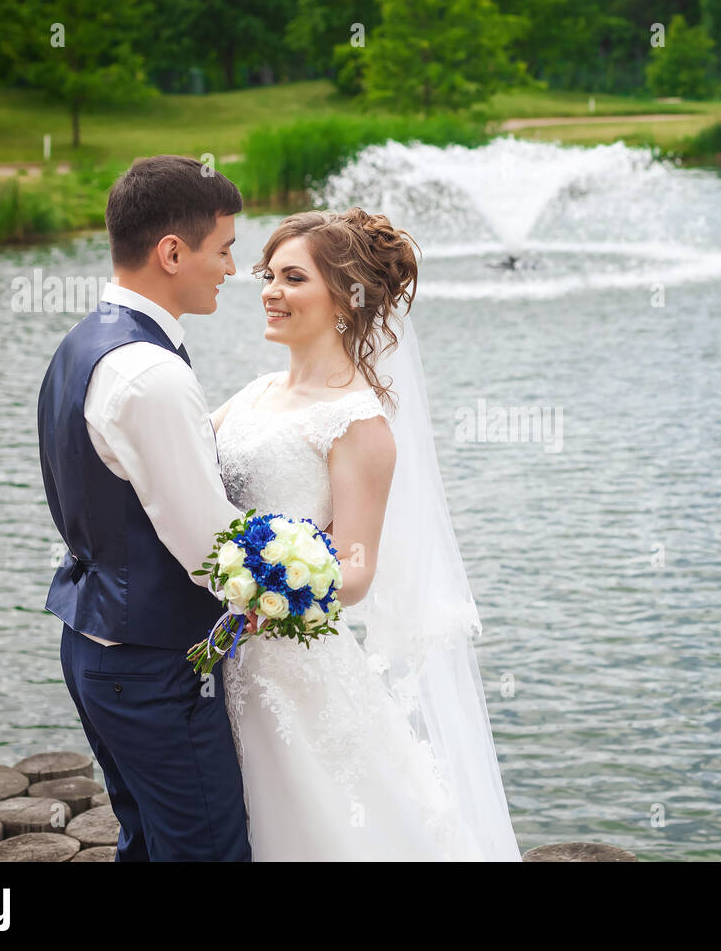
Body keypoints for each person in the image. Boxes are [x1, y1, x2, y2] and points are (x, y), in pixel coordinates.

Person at [211, 208, 521, 860]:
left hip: (292, 663)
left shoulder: (357, 423)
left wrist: (266, 586)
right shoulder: (252, 394)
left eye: (292, 278)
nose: (269, 290)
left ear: (346, 300)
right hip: (225, 657)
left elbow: (353, 572)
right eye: (268, 275)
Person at [37, 155, 254, 861]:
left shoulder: (84, 342)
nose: (231, 267)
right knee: (206, 851)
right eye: (223, 248)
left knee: (146, 843)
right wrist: (298, 570)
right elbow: (211, 552)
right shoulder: (151, 373)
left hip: (96, 643)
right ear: (171, 251)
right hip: (154, 664)